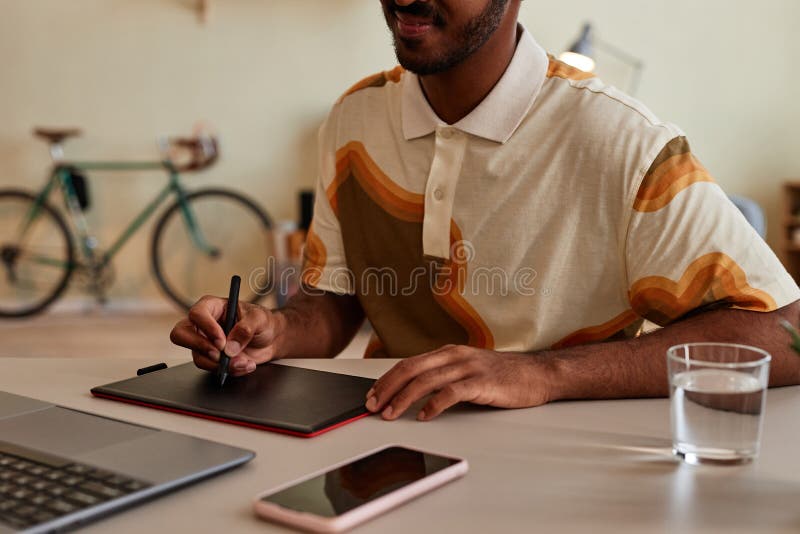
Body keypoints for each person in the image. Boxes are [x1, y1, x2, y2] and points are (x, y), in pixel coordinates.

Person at [170, 0, 800, 422]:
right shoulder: (353, 121)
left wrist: (544, 373)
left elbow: (787, 334)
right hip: (387, 442)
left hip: (562, 457)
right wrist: (272, 330)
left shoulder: (623, 141)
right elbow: (335, 305)